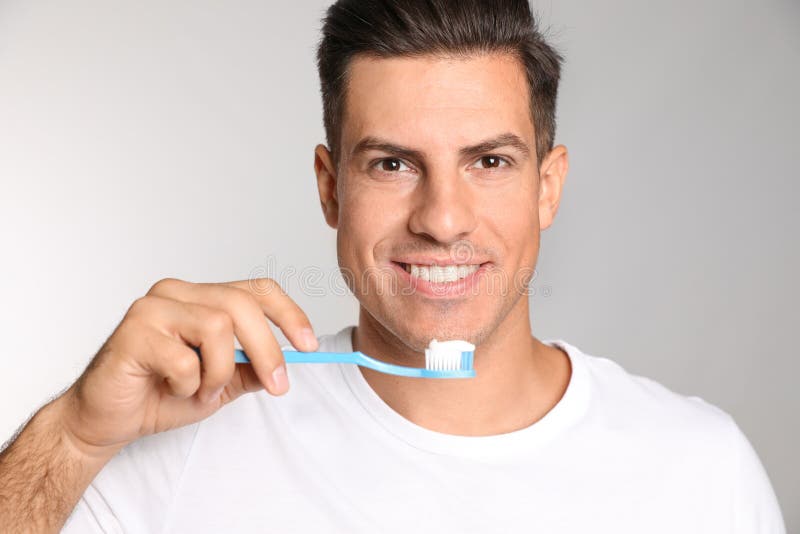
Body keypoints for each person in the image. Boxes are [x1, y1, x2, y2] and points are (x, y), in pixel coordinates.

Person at [0, 0, 786, 532]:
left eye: (488, 160)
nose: (442, 219)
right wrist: (71, 438)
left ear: (548, 188)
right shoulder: (187, 445)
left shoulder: (699, 472)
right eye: (392, 165)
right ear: (330, 187)